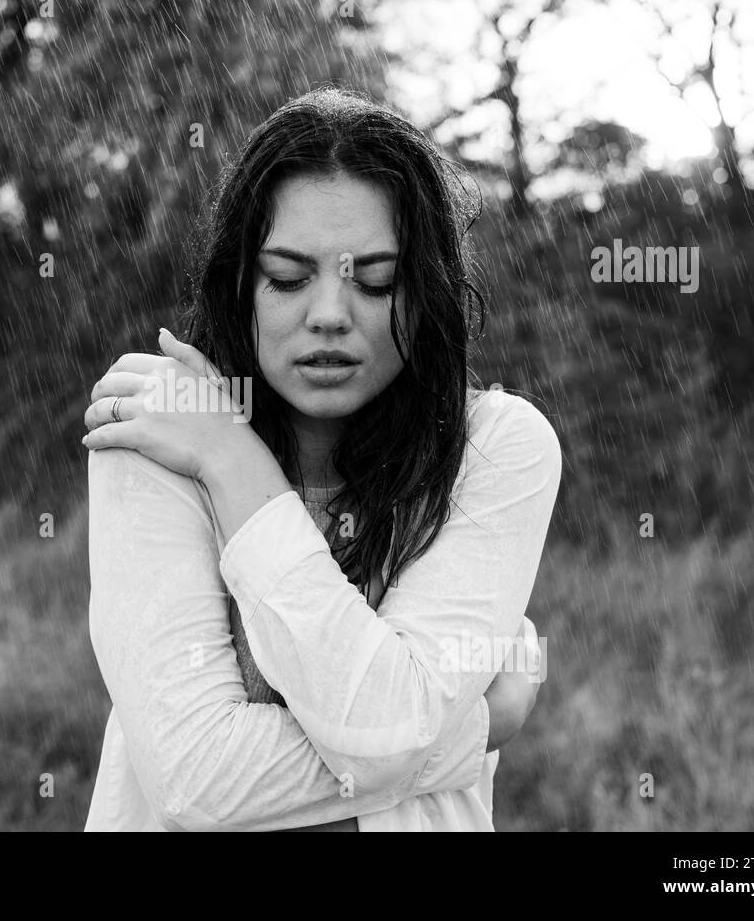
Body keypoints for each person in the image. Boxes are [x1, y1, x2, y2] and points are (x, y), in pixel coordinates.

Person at [80, 87, 562, 831]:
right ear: (240, 282)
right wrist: (467, 731)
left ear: (424, 291)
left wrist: (234, 462)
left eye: (375, 280)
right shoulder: (157, 437)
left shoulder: (495, 451)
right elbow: (196, 780)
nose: (330, 314)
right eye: (288, 276)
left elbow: (389, 724)